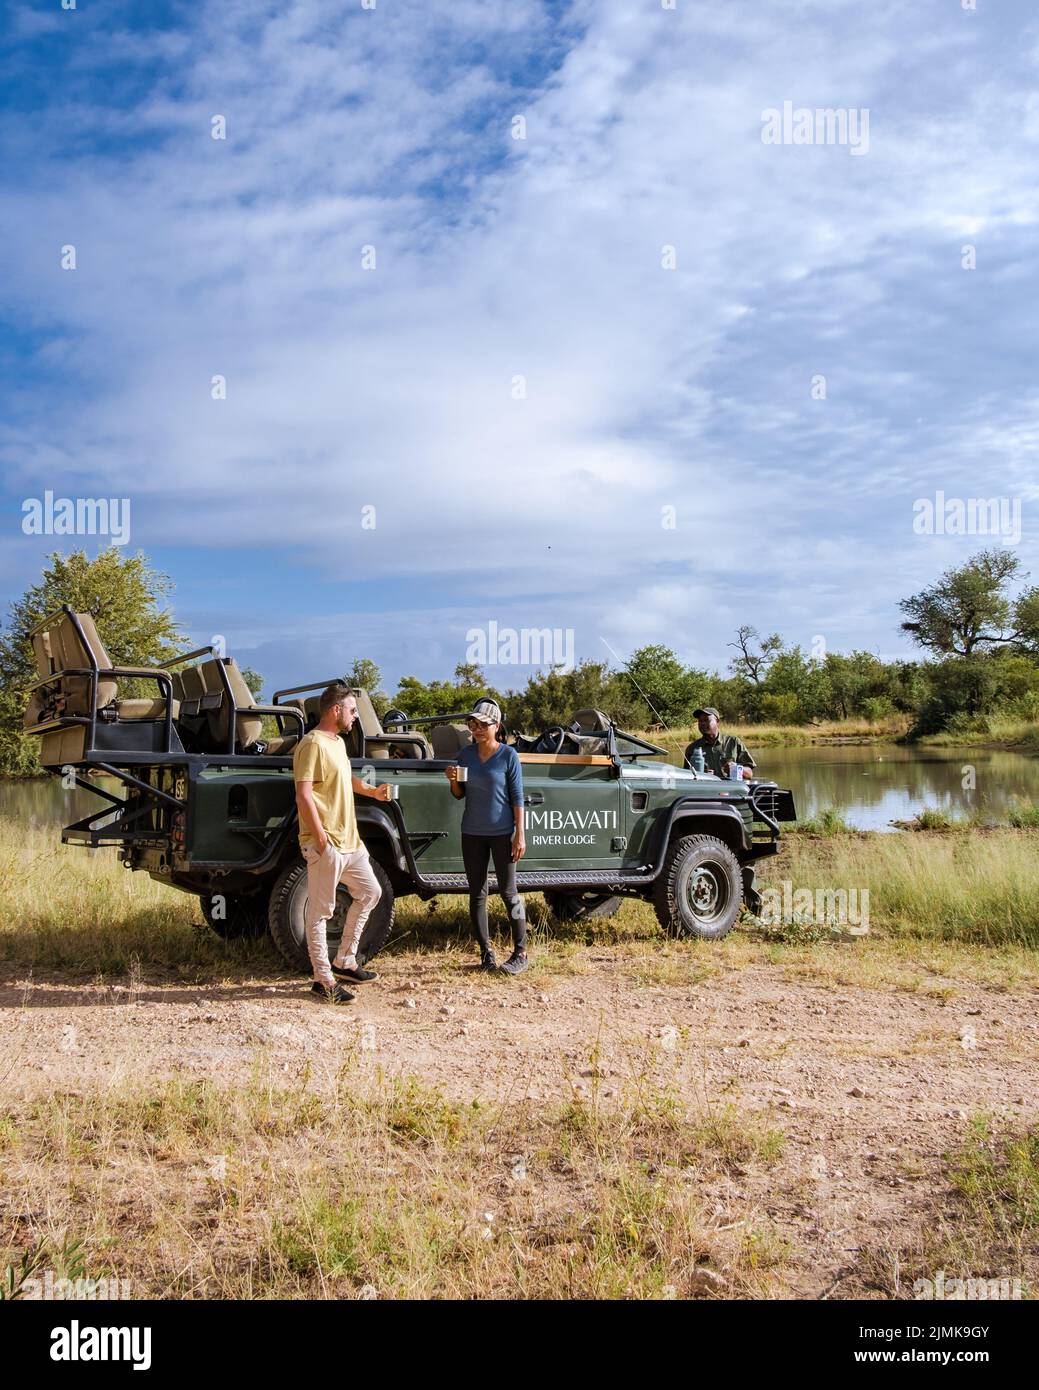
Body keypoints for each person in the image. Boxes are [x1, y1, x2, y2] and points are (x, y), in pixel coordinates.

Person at [293, 683, 395, 1003]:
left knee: (371, 893)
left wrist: (372, 792)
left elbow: (344, 779)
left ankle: (345, 962)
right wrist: (322, 840)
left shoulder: (337, 743)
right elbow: (304, 793)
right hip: (328, 844)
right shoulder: (312, 744)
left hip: (351, 843)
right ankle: (323, 980)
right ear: (335, 710)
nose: (355, 717)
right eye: (352, 710)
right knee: (321, 913)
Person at [444, 697, 528, 975]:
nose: (477, 729)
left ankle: (520, 952)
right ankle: (486, 953)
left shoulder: (508, 756)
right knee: (477, 894)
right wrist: (453, 780)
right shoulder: (466, 756)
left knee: (509, 893)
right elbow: (459, 795)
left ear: (497, 726)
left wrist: (520, 834)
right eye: (473, 724)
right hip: (472, 833)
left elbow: (517, 798)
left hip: (503, 833)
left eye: (483, 724)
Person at [683, 707, 756, 780]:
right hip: (705, 790)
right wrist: (703, 775)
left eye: (706, 720)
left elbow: (749, 774)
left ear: (717, 722)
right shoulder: (692, 748)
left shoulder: (733, 742)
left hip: (730, 789)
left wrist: (736, 769)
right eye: (700, 721)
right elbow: (685, 777)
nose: (702, 723)